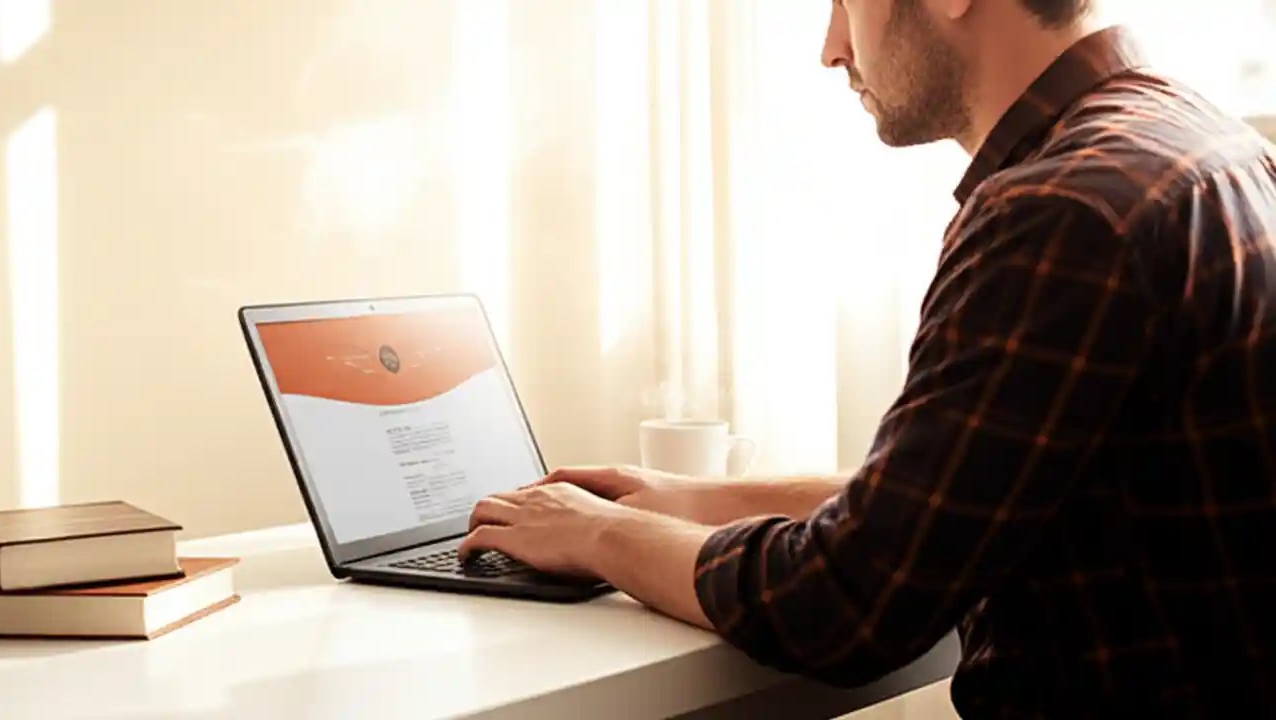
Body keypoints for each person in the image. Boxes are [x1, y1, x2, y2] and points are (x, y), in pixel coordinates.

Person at [460, 0, 1276, 715]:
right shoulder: (1202, 146)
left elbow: (847, 603)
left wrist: (599, 537)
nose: (831, 45)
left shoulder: (1061, 211)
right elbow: (966, 498)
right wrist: (685, 499)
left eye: (846, 0)